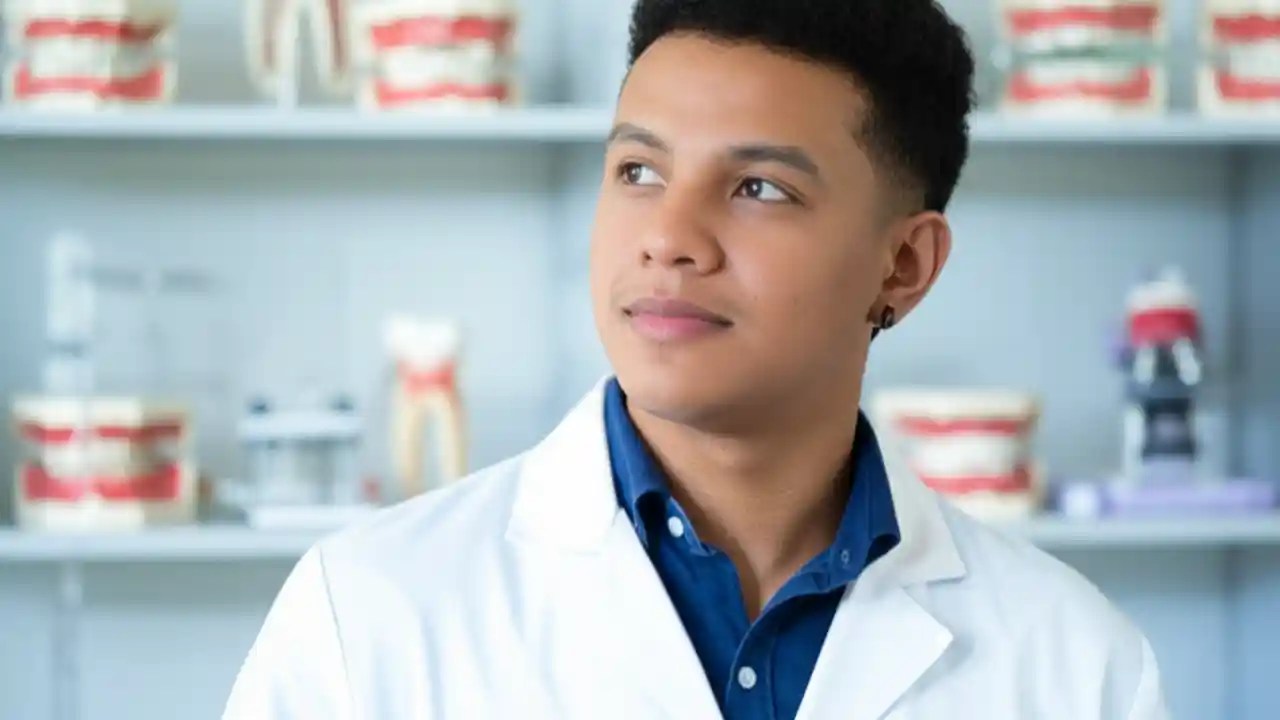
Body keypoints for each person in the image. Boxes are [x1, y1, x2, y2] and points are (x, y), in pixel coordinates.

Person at [224, 0, 1169, 718]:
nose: (669, 238)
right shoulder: (367, 616)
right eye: (639, 172)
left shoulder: (1075, 666)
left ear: (903, 265)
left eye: (758, 187)